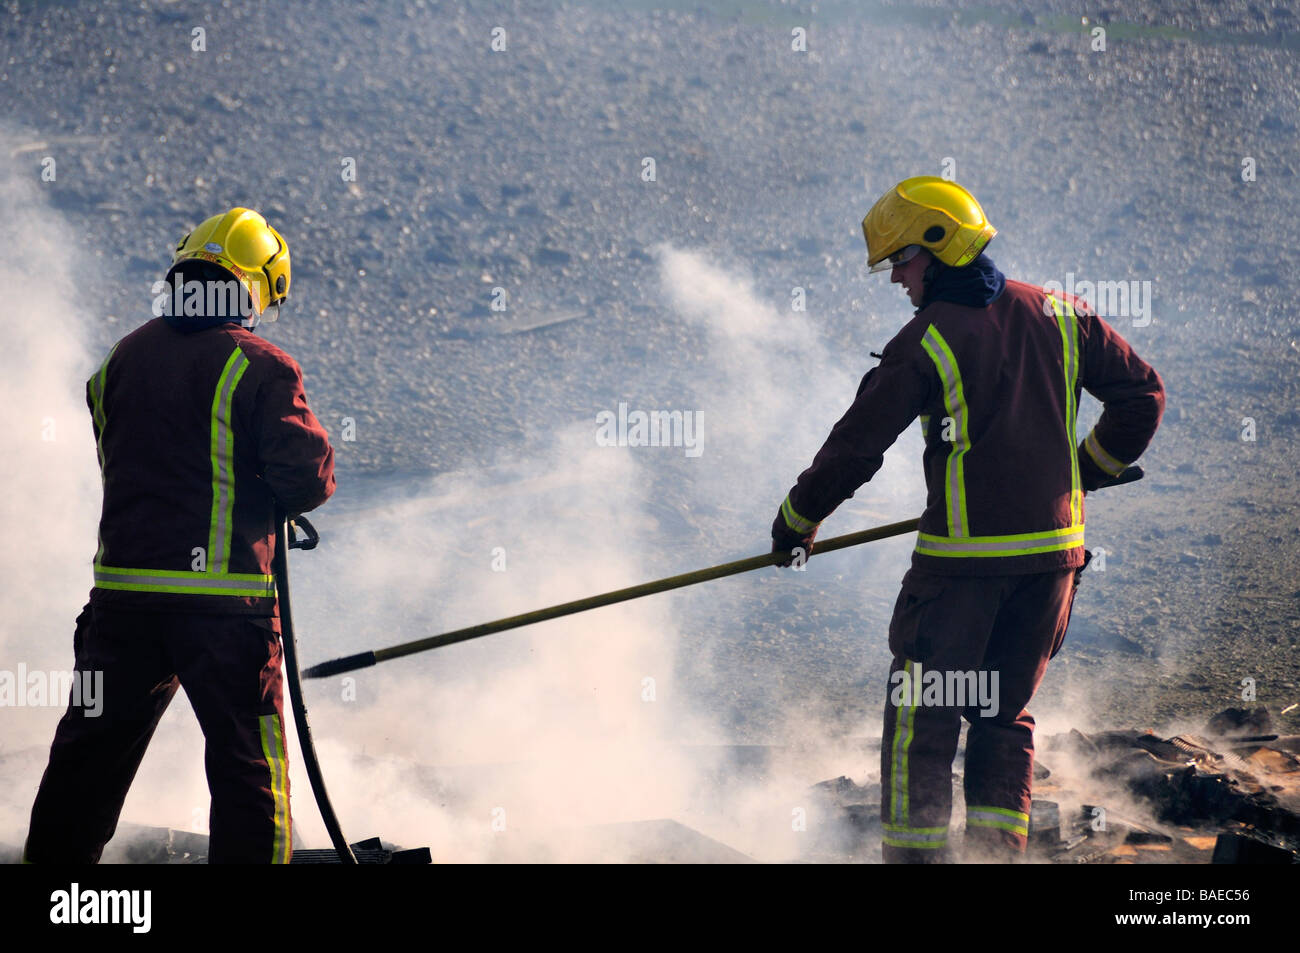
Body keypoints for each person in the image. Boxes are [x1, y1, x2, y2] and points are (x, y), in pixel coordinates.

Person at [770, 176, 1164, 863]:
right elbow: (1143, 394)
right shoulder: (1063, 314)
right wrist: (1087, 472)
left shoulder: (928, 340)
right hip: (1051, 571)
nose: (896, 278)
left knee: (923, 721)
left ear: (938, 245)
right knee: (1002, 719)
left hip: (961, 577)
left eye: (902, 261)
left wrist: (796, 519)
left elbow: (855, 447)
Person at [23, 207, 335, 864]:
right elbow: (306, 478)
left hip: (123, 603)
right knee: (250, 772)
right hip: (225, 609)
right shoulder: (261, 366)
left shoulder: (122, 358)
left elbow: (153, 456)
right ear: (250, 286)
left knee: (85, 765)